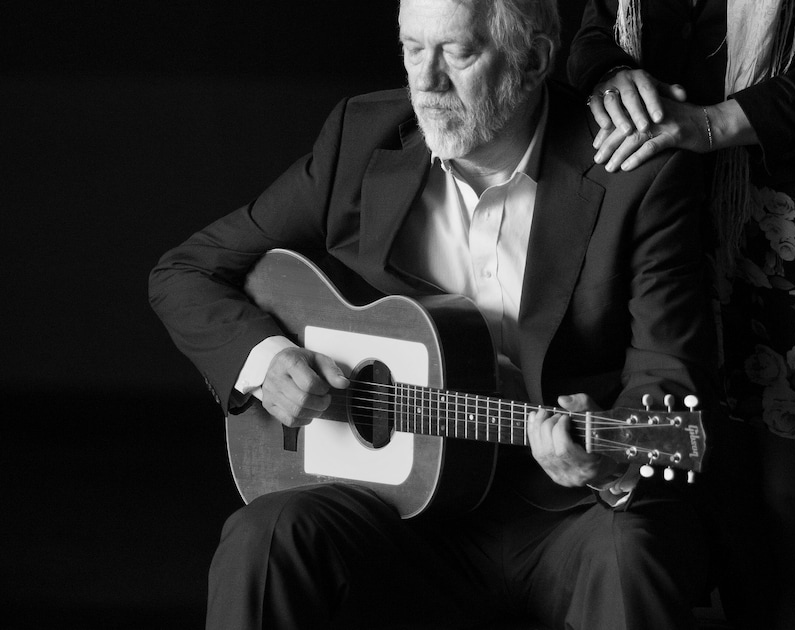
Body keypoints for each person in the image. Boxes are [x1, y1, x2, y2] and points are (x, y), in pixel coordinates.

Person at [148, 0, 720, 628]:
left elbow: (667, 374)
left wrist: (608, 464)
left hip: (565, 515)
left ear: (533, 58)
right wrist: (268, 359)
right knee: (267, 536)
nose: (426, 79)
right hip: (399, 513)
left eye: (458, 51)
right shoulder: (362, 139)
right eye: (413, 49)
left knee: (630, 554)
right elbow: (188, 272)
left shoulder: (634, 172)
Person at [568, 1, 795, 628]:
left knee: (793, 495)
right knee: (715, 492)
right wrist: (609, 74)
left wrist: (713, 125)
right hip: (667, 212)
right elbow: (589, 30)